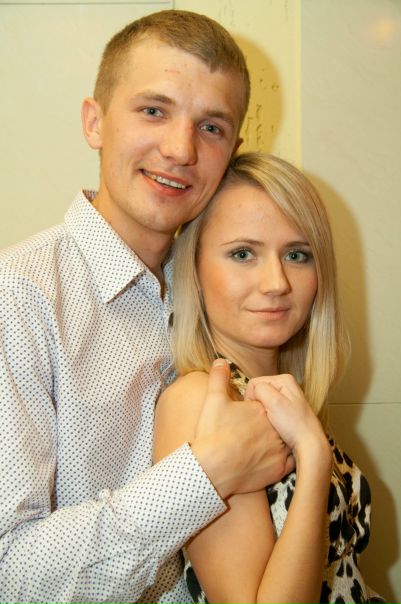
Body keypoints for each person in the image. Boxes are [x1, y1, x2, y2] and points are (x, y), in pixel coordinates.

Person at [0, 11, 293, 604]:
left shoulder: (227, 287)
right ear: (95, 121)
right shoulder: (19, 296)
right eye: (154, 110)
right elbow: (11, 575)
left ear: (233, 151)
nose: (180, 149)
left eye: (211, 127)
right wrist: (206, 473)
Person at [153, 152, 373, 604]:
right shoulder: (202, 402)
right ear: (193, 268)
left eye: (297, 255)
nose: (277, 282)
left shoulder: (280, 391)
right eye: (243, 254)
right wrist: (313, 452)